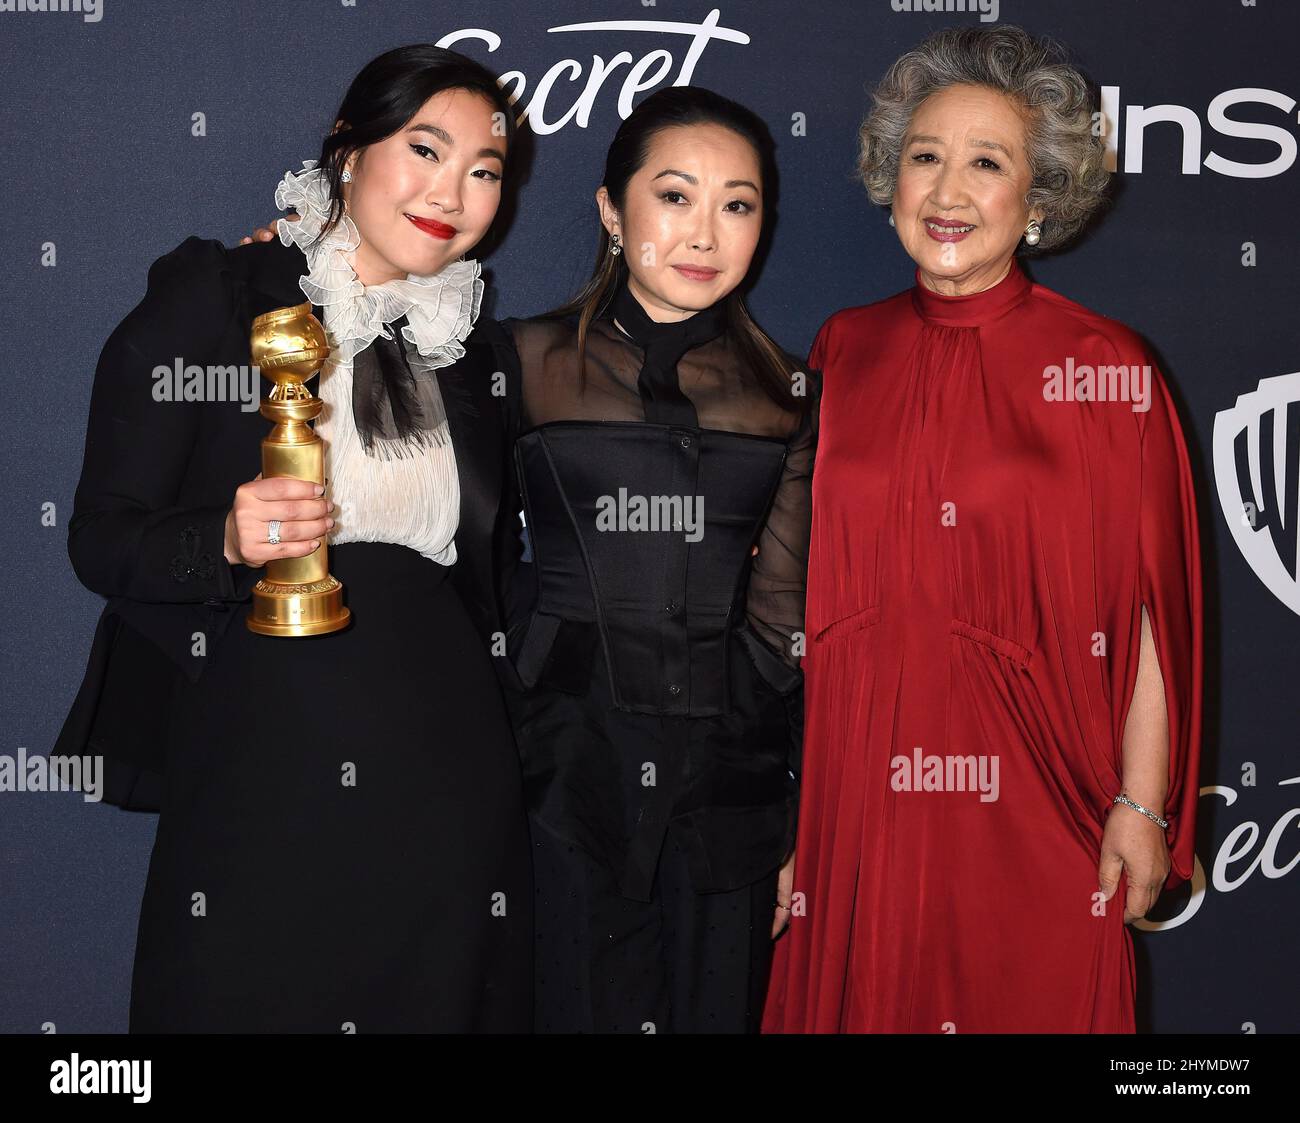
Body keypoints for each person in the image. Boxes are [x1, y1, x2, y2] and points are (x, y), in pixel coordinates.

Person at [55, 45, 532, 1032]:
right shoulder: (221, 295)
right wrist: (224, 537)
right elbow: (102, 538)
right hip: (263, 754)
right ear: (348, 152)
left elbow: (500, 577)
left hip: (449, 768)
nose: (454, 191)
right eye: (426, 150)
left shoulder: (476, 346)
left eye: (484, 170)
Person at [762, 26, 1203, 1033]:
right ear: (890, 178)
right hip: (854, 789)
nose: (947, 191)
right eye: (925, 157)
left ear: (1036, 199)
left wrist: (1141, 807)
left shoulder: (1106, 367)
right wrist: (787, 810)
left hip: (1035, 792)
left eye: (985, 163)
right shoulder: (843, 346)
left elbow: (1148, 621)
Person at [499, 87, 818, 1033]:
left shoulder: (787, 396)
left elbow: (781, 616)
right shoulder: (518, 359)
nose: (705, 233)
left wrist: (783, 811)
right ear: (611, 209)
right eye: (675, 196)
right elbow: (461, 562)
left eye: (739, 203)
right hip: (554, 776)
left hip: (728, 795)